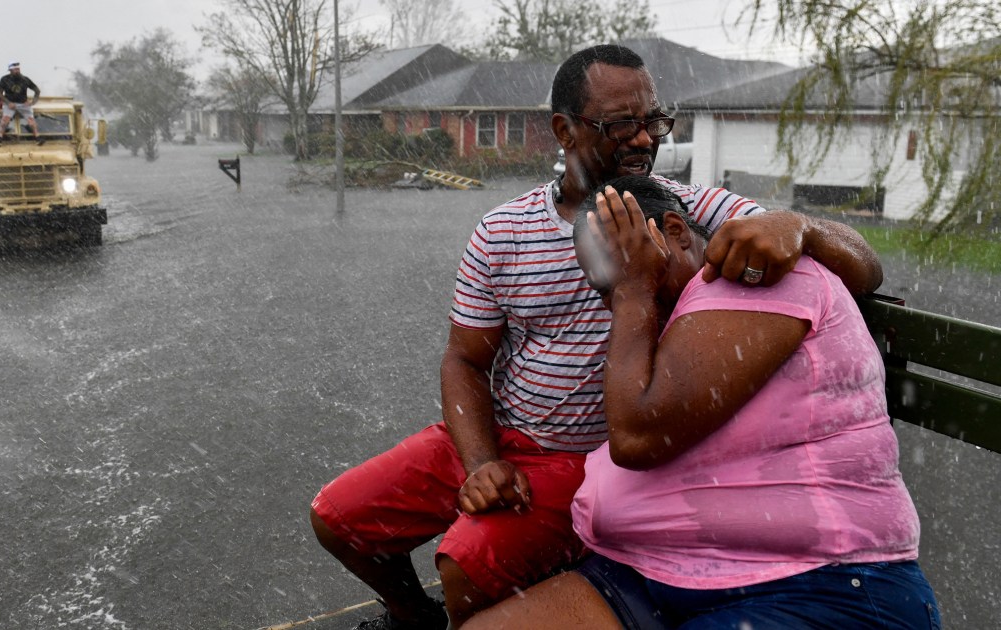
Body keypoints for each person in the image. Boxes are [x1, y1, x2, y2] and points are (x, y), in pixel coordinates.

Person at [309, 44, 884, 630]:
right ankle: (412, 617)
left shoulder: (691, 207)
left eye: (655, 121)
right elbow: (464, 359)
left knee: (466, 562)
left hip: (583, 459)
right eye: (621, 124)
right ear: (564, 129)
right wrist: (480, 460)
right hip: (499, 433)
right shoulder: (503, 231)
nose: (644, 139)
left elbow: (864, 265)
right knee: (338, 518)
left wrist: (800, 225)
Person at [463, 176, 940, 629]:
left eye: (628, 267)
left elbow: (637, 436)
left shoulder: (752, 275)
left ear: (674, 231)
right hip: (653, 574)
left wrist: (633, 289)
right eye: (605, 290)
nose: (616, 302)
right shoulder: (672, 309)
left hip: (813, 581)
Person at [0, 61, 43, 146]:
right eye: (15, 69)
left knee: (31, 121)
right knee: (5, 120)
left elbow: (37, 91)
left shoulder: (25, 79)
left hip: (23, 104)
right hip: (9, 104)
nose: (17, 71)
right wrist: (8, 103)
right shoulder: (4, 79)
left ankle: (37, 137)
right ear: (10, 70)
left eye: (18, 69)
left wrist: (33, 102)